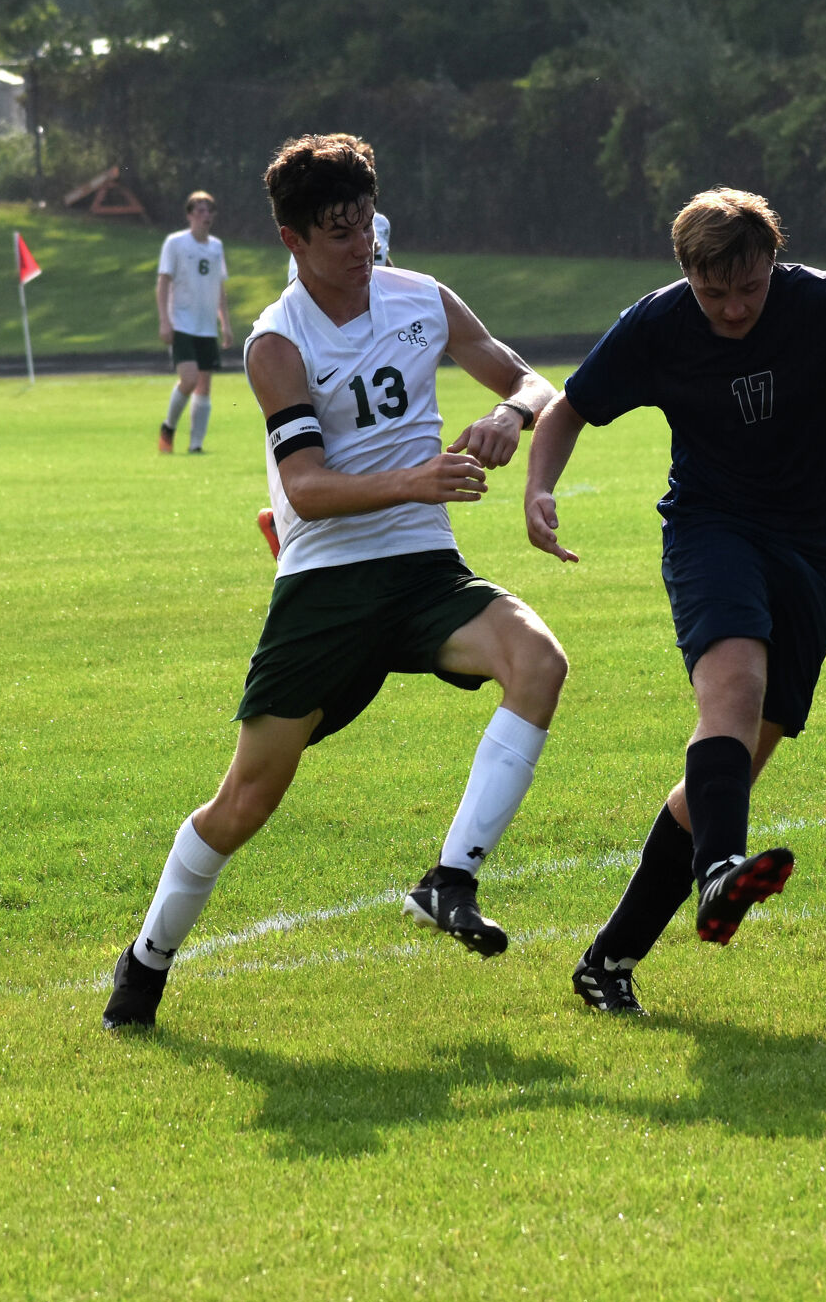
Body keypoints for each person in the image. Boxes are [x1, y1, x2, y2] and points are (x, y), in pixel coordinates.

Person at [104, 133, 569, 1030]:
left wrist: (511, 412)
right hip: (326, 587)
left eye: (365, 224)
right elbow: (309, 492)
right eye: (337, 233)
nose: (361, 247)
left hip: (425, 570)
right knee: (246, 799)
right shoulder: (277, 343)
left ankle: (451, 878)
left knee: (539, 661)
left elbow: (532, 379)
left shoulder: (422, 298)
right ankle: (149, 956)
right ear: (293, 241)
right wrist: (419, 478)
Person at [523, 187, 826, 1015]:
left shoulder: (822, 299)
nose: (732, 308)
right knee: (730, 691)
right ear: (687, 276)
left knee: (728, 767)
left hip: (810, 550)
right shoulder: (658, 324)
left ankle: (608, 960)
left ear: (773, 262)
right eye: (713, 293)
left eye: (748, 288)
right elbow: (570, 409)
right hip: (711, 531)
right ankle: (721, 871)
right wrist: (538, 488)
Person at [260, 210, 395, 556]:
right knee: (305, 452)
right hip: (319, 343)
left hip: (370, 339)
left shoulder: (380, 225)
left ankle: (283, 523)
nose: (363, 246)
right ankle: (287, 529)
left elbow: (385, 270)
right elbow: (303, 291)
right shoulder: (318, 232)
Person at [156, 190, 234, 454]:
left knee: (204, 384)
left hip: (206, 327)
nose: (205, 215)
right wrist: (164, 321)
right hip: (182, 324)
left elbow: (219, 288)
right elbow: (163, 281)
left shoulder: (216, 247)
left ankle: (196, 445)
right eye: (199, 210)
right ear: (189, 215)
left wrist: (225, 323)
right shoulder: (175, 243)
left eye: (209, 210)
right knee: (188, 379)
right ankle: (168, 427)